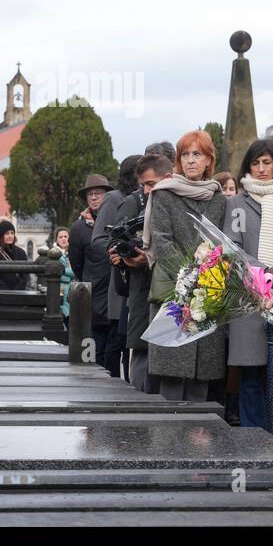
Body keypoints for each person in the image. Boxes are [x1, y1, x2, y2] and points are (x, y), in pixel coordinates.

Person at [222, 139, 273, 441]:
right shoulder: (236, 204)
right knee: (250, 379)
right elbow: (231, 247)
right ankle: (250, 447)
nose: (260, 169)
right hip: (249, 301)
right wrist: (261, 272)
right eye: (255, 163)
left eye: (266, 162)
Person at [145, 130, 229, 401]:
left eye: (198, 154)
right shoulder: (164, 194)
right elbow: (161, 241)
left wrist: (208, 278)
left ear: (209, 160)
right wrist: (189, 278)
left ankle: (197, 442)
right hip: (174, 293)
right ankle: (167, 442)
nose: (191, 160)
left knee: (200, 383)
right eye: (186, 154)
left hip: (209, 296)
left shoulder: (219, 200)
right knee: (172, 378)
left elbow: (224, 245)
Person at [123, 153, 170, 392]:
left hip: (166, 293)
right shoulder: (138, 207)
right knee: (140, 360)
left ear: (168, 178)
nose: (146, 190)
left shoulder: (174, 206)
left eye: (151, 184)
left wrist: (148, 257)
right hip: (142, 292)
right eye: (143, 185)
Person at [93, 156, 141, 379]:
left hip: (137, 279)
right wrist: (120, 249)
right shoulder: (114, 199)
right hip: (119, 278)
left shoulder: (142, 199)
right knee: (116, 338)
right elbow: (99, 238)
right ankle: (111, 381)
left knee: (127, 340)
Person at [69, 174, 114, 366]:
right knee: (97, 349)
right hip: (93, 295)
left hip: (116, 294)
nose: (94, 197)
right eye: (90, 194)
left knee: (115, 349)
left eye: (99, 193)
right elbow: (76, 263)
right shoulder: (79, 228)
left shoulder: (116, 221)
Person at [0, 219, 29, 289]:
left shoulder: (21, 253)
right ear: (1, 236)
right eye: (7, 233)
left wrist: (16, 291)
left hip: (17, 295)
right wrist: (6, 291)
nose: (10, 236)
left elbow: (24, 276)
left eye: (12, 233)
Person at [55, 227, 74, 327]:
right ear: (56, 240)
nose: (63, 239)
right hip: (60, 292)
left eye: (66, 236)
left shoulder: (74, 252)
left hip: (72, 292)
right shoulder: (55, 254)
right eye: (60, 237)